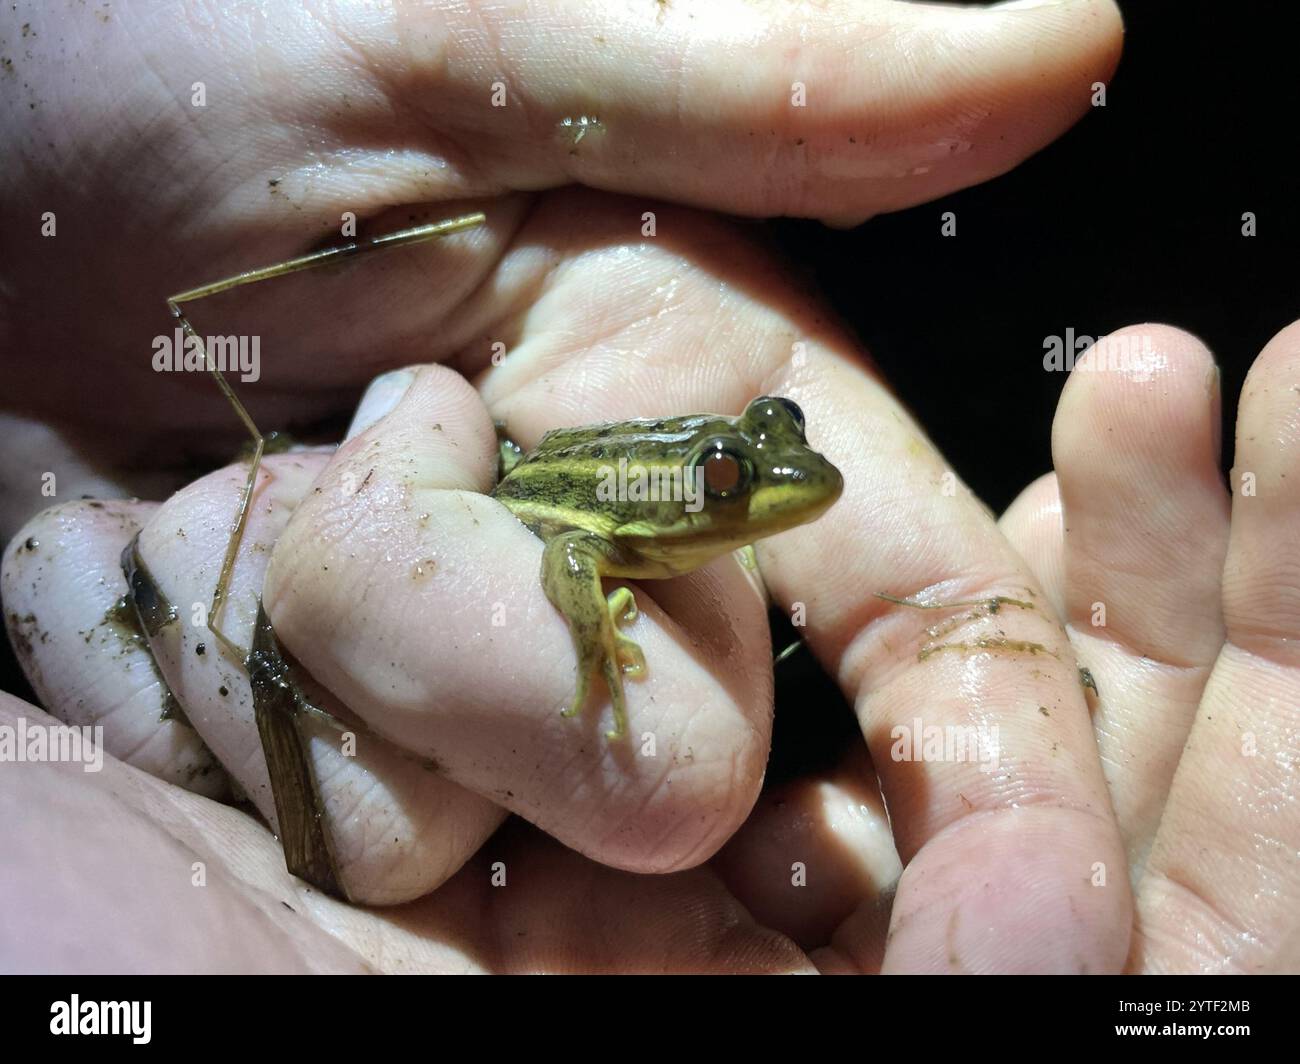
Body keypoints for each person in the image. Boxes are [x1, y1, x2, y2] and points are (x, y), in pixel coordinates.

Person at [1, 0, 1294, 974]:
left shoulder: (714, 513)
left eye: (756, 456)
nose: (777, 492)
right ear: (699, 492)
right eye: (740, 478)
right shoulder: (623, 518)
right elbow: (570, 560)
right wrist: (594, 647)